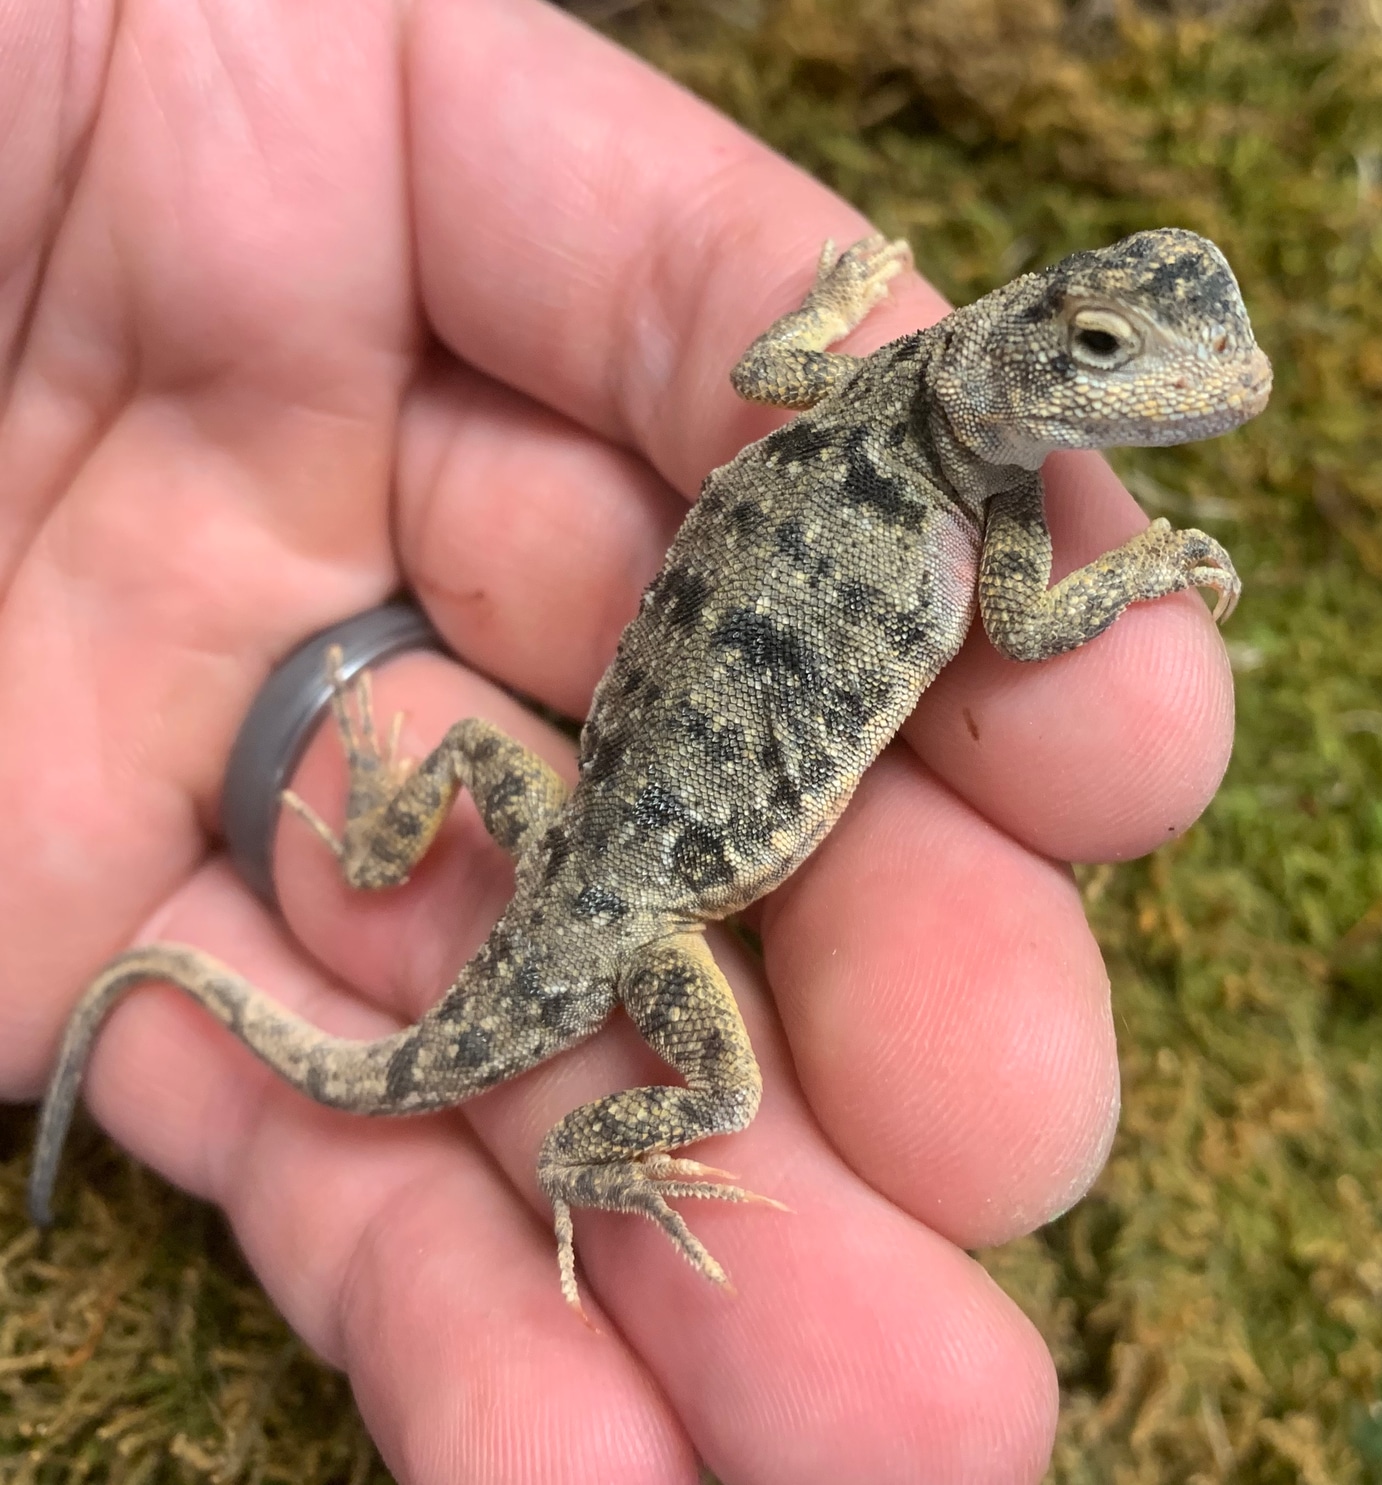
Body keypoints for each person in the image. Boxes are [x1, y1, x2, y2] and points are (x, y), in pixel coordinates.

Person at [0, 0, 1238, 1479]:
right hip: (638, 902)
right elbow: (1014, 625)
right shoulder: (949, 451)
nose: (1174, 385)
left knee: (481, 759)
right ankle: (580, 1155)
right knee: (726, 1092)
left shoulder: (956, 449)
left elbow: (792, 385)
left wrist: (847, 313)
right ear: (1024, 342)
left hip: (595, 827)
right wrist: (1149, 565)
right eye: (1106, 348)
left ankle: (377, 841)